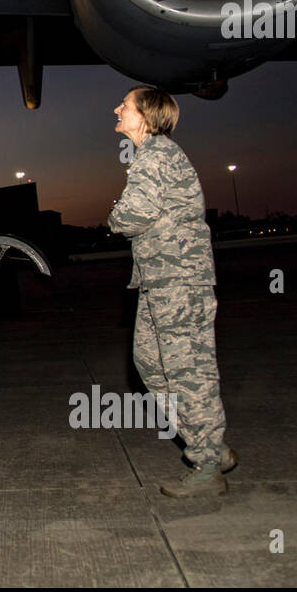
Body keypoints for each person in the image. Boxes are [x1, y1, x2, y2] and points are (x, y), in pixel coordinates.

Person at [108, 87, 235, 496]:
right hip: (160, 282)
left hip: (179, 282)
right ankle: (208, 444)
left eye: (124, 106)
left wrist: (113, 216)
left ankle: (207, 464)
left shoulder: (157, 155)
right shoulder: (151, 156)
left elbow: (134, 214)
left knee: (187, 372)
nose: (117, 109)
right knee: (149, 365)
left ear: (144, 116)